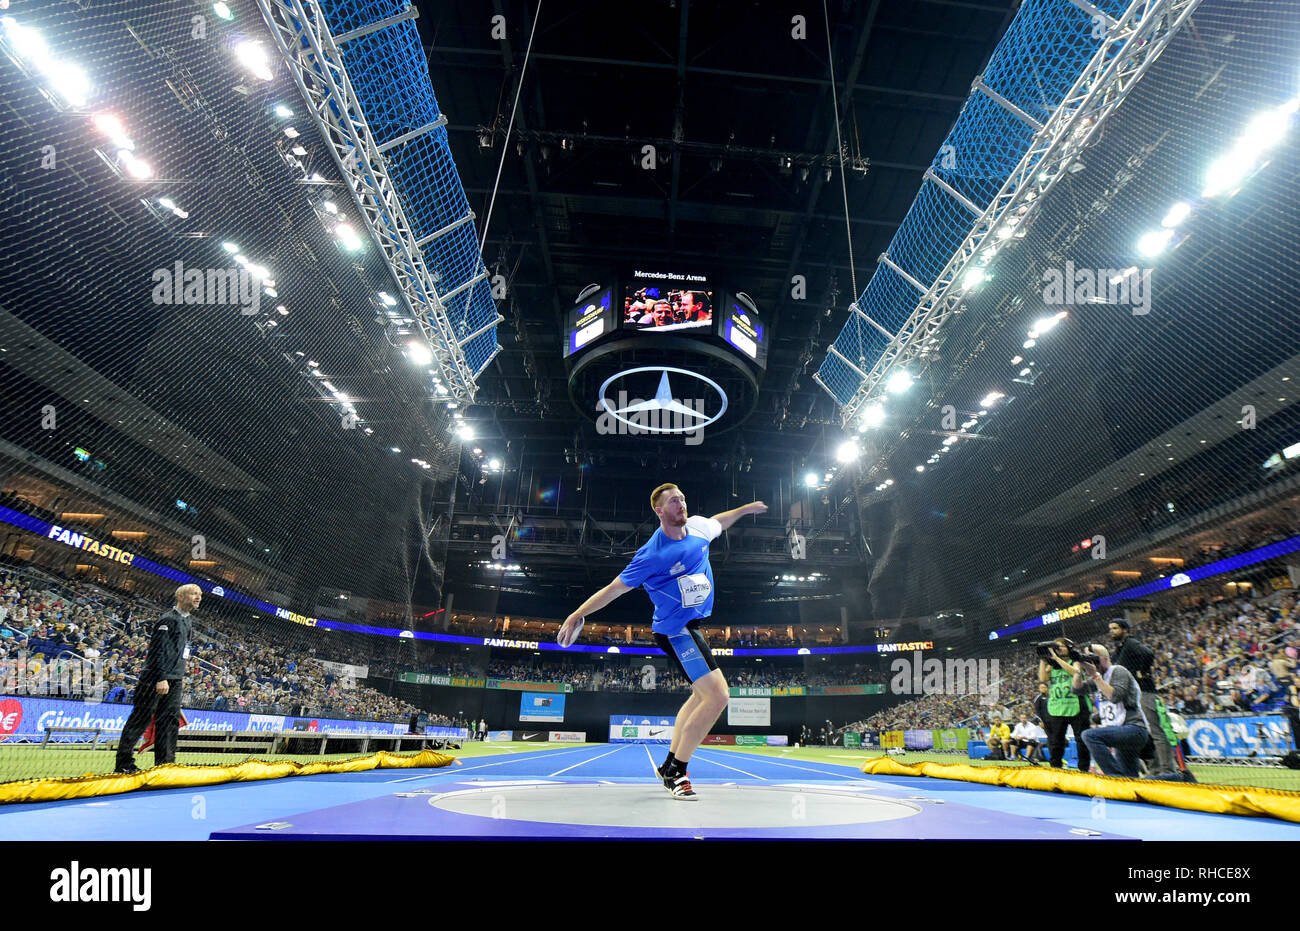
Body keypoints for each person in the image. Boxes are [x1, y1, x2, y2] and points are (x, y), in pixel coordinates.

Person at [558, 483, 766, 799]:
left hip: (691, 624)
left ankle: (670, 763)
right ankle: (678, 771)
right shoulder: (651, 555)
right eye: (673, 501)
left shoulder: (697, 527)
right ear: (660, 510)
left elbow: (719, 522)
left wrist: (744, 510)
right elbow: (614, 589)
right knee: (719, 696)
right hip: (675, 629)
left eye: (682, 497)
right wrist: (577, 614)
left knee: (700, 697)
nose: (681, 503)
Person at [113, 584, 200, 774]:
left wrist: (179, 676)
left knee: (169, 721)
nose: (198, 597)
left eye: (199, 594)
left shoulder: (188, 621)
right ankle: (123, 763)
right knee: (140, 719)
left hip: (175, 679)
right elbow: (158, 651)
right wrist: (161, 678)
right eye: (194, 593)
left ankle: (165, 764)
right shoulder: (168, 619)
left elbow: (180, 652)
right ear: (181, 596)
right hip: (155, 678)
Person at [1109, 619, 1176, 776]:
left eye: (1115, 628)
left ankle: (1167, 770)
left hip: (1144, 692)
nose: (1112, 631)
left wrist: (1143, 671)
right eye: (1110, 628)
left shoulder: (1131, 643)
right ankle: (1155, 769)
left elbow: (1148, 653)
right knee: (1147, 734)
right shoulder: (1120, 649)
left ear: (1125, 629)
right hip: (1133, 696)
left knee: (1156, 732)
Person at [1071, 644, 1149, 778]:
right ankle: (1177, 778)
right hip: (1119, 731)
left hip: (1133, 728)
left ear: (1105, 658)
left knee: (1089, 736)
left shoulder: (1118, 671)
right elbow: (1077, 690)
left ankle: (1115, 778)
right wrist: (1078, 670)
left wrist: (1095, 676)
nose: (1092, 663)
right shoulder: (1099, 678)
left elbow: (1115, 696)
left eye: (1094, 659)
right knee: (1131, 778)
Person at [1041, 639, 1092, 771]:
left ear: (1069, 647)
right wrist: (1043, 659)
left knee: (1081, 739)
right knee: (1056, 741)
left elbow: (1075, 672)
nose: (1058, 649)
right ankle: (1056, 767)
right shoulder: (1051, 665)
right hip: (1058, 706)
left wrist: (1056, 659)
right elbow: (1043, 679)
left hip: (1077, 704)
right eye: (1056, 647)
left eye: (1061, 646)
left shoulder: (1075, 660)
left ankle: (1084, 769)